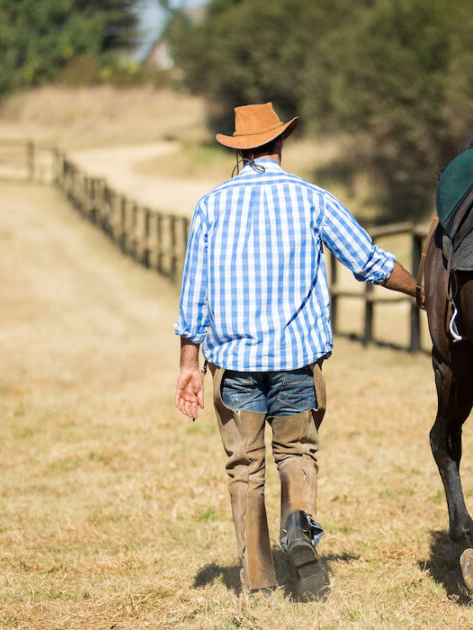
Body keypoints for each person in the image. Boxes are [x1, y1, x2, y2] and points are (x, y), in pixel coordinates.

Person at [173, 102, 422, 601]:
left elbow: (193, 292)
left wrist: (187, 365)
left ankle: (259, 583)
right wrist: (421, 291)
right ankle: (298, 529)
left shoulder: (210, 205)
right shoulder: (313, 199)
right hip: (296, 362)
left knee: (245, 469)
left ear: (240, 151)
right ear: (281, 143)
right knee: (297, 454)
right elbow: (369, 261)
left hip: (236, 366)